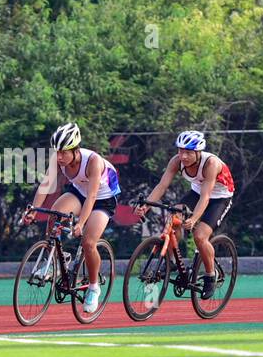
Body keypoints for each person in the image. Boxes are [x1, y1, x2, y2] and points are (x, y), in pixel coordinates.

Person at [22, 122, 120, 314]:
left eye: (63, 152)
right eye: (56, 152)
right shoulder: (58, 159)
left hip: (103, 199)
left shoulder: (93, 161)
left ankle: (93, 287)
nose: (59, 157)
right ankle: (54, 259)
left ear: (75, 150)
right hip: (79, 192)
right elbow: (46, 184)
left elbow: (92, 197)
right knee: (54, 213)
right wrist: (33, 209)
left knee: (88, 242)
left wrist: (81, 223)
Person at [135, 129, 235, 299]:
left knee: (200, 236)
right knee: (173, 218)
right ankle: (173, 262)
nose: (183, 156)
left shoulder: (211, 164)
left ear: (198, 152)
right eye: (180, 151)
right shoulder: (176, 161)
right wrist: (146, 206)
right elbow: (162, 185)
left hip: (219, 197)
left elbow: (206, 196)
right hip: (196, 192)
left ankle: (211, 276)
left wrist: (195, 218)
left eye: (188, 152)